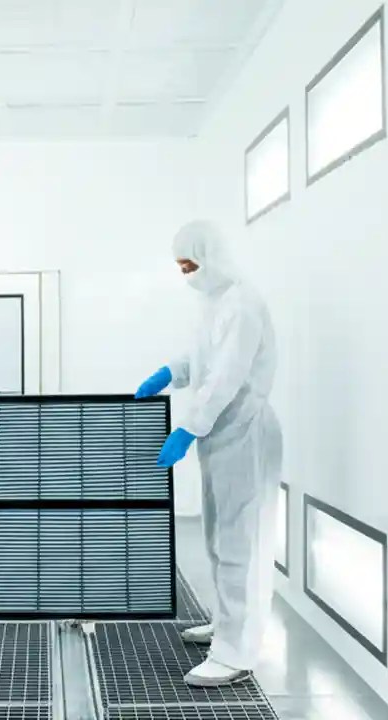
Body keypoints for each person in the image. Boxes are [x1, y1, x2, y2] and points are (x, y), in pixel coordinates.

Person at [135, 219, 283, 688]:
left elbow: (226, 377)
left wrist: (186, 428)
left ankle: (237, 654)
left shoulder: (243, 303)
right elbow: (202, 360)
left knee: (242, 544)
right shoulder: (215, 302)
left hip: (244, 433)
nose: (187, 276)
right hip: (221, 437)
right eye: (181, 268)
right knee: (219, 539)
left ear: (212, 258)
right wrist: (168, 372)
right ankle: (225, 626)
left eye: (191, 265)